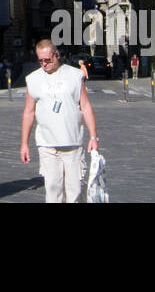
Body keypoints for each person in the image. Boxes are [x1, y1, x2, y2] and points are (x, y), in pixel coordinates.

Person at [21, 38, 99, 203]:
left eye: (47, 60)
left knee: (74, 190)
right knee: (52, 189)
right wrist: (24, 144)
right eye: (40, 60)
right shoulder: (33, 79)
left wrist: (93, 136)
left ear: (56, 55)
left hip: (72, 142)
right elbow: (28, 112)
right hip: (46, 143)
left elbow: (85, 106)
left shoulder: (75, 75)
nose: (44, 64)